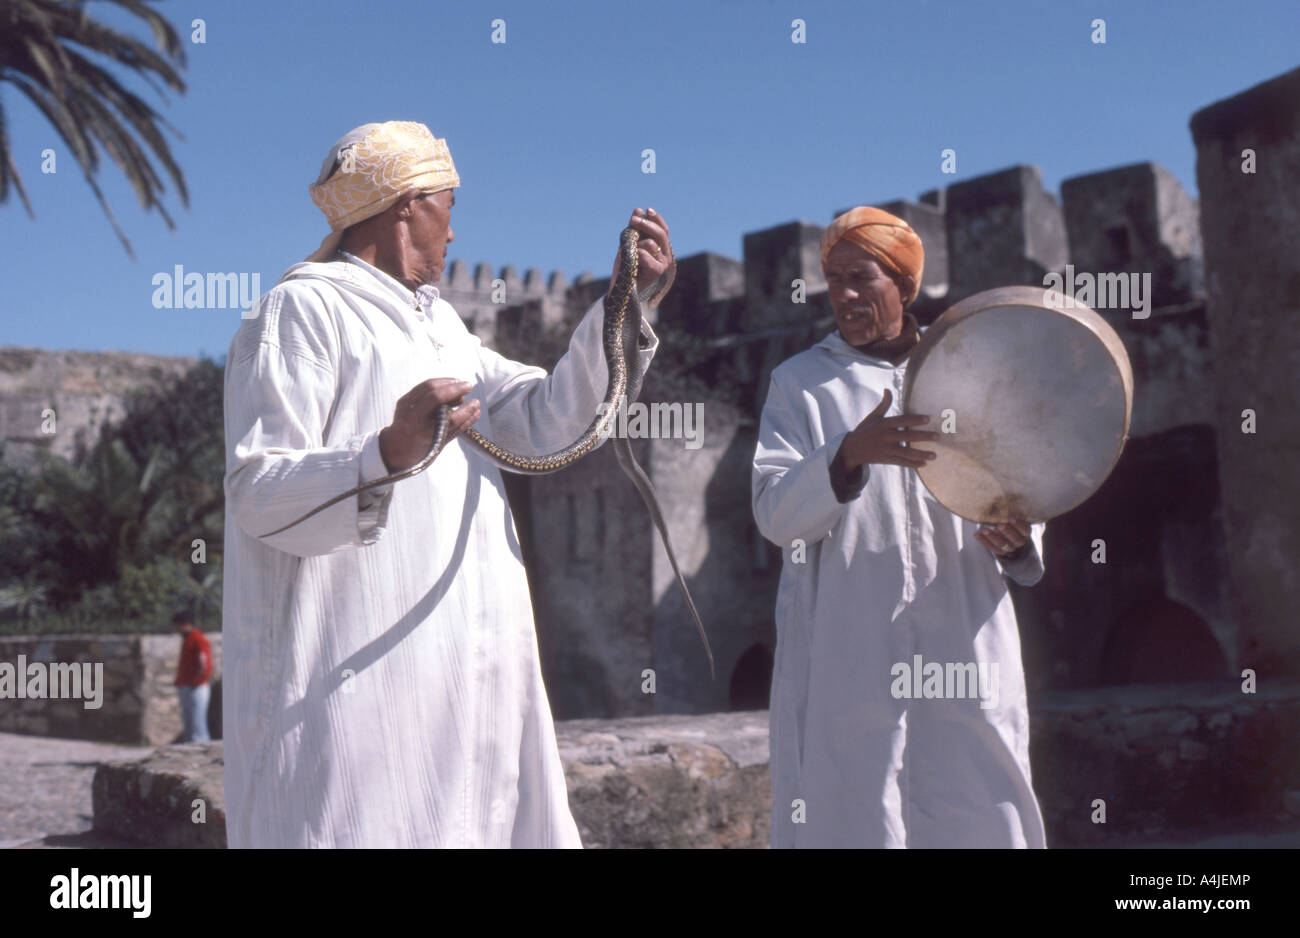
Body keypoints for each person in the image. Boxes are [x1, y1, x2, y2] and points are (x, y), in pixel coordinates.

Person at [221, 121, 674, 848]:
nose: (455, 232)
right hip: (353, 683)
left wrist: (624, 304)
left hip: (467, 676)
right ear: (406, 202)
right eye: (449, 205)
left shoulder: (442, 329)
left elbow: (547, 416)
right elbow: (257, 490)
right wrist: (382, 455)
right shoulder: (301, 310)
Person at [752, 206, 1048, 848]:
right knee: (857, 801)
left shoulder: (970, 372)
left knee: (980, 800)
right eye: (833, 280)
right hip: (849, 644)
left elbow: (1018, 488)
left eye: (862, 278)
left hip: (962, 632)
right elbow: (775, 515)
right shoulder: (801, 384)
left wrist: (1022, 540)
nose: (845, 295)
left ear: (904, 286)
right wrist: (847, 455)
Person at [172, 610, 213, 743]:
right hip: (187, 685)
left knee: (197, 724)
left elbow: (205, 665)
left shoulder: (199, 640)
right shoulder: (188, 640)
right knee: (189, 723)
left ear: (187, 624)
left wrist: (196, 681)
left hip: (196, 687)